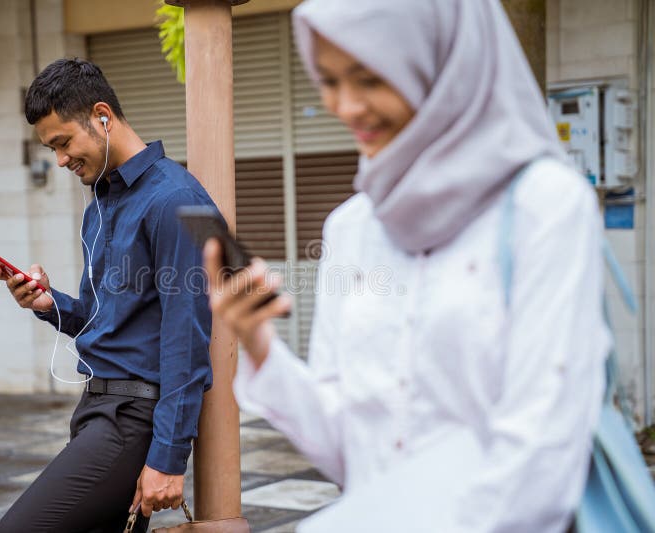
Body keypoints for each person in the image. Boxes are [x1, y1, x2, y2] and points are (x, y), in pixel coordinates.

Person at [204, 1, 610, 531]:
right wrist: (259, 344)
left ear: (447, 62)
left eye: (370, 77)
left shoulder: (546, 207)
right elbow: (349, 448)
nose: (346, 106)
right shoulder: (353, 227)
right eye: (327, 80)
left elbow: (541, 457)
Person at [0, 58, 215, 532]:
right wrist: (51, 304)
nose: (59, 160)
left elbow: (187, 337)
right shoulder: (101, 205)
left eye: (63, 142)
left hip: (133, 420)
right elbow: (103, 318)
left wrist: (169, 458)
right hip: (95, 410)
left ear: (102, 117)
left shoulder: (177, 199)